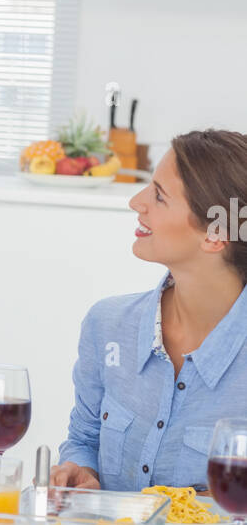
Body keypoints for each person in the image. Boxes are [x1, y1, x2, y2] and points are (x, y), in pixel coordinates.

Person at [53, 129, 247, 492]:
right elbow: (84, 439)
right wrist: (81, 470)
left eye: (159, 195)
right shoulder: (106, 326)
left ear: (215, 233)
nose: (136, 201)